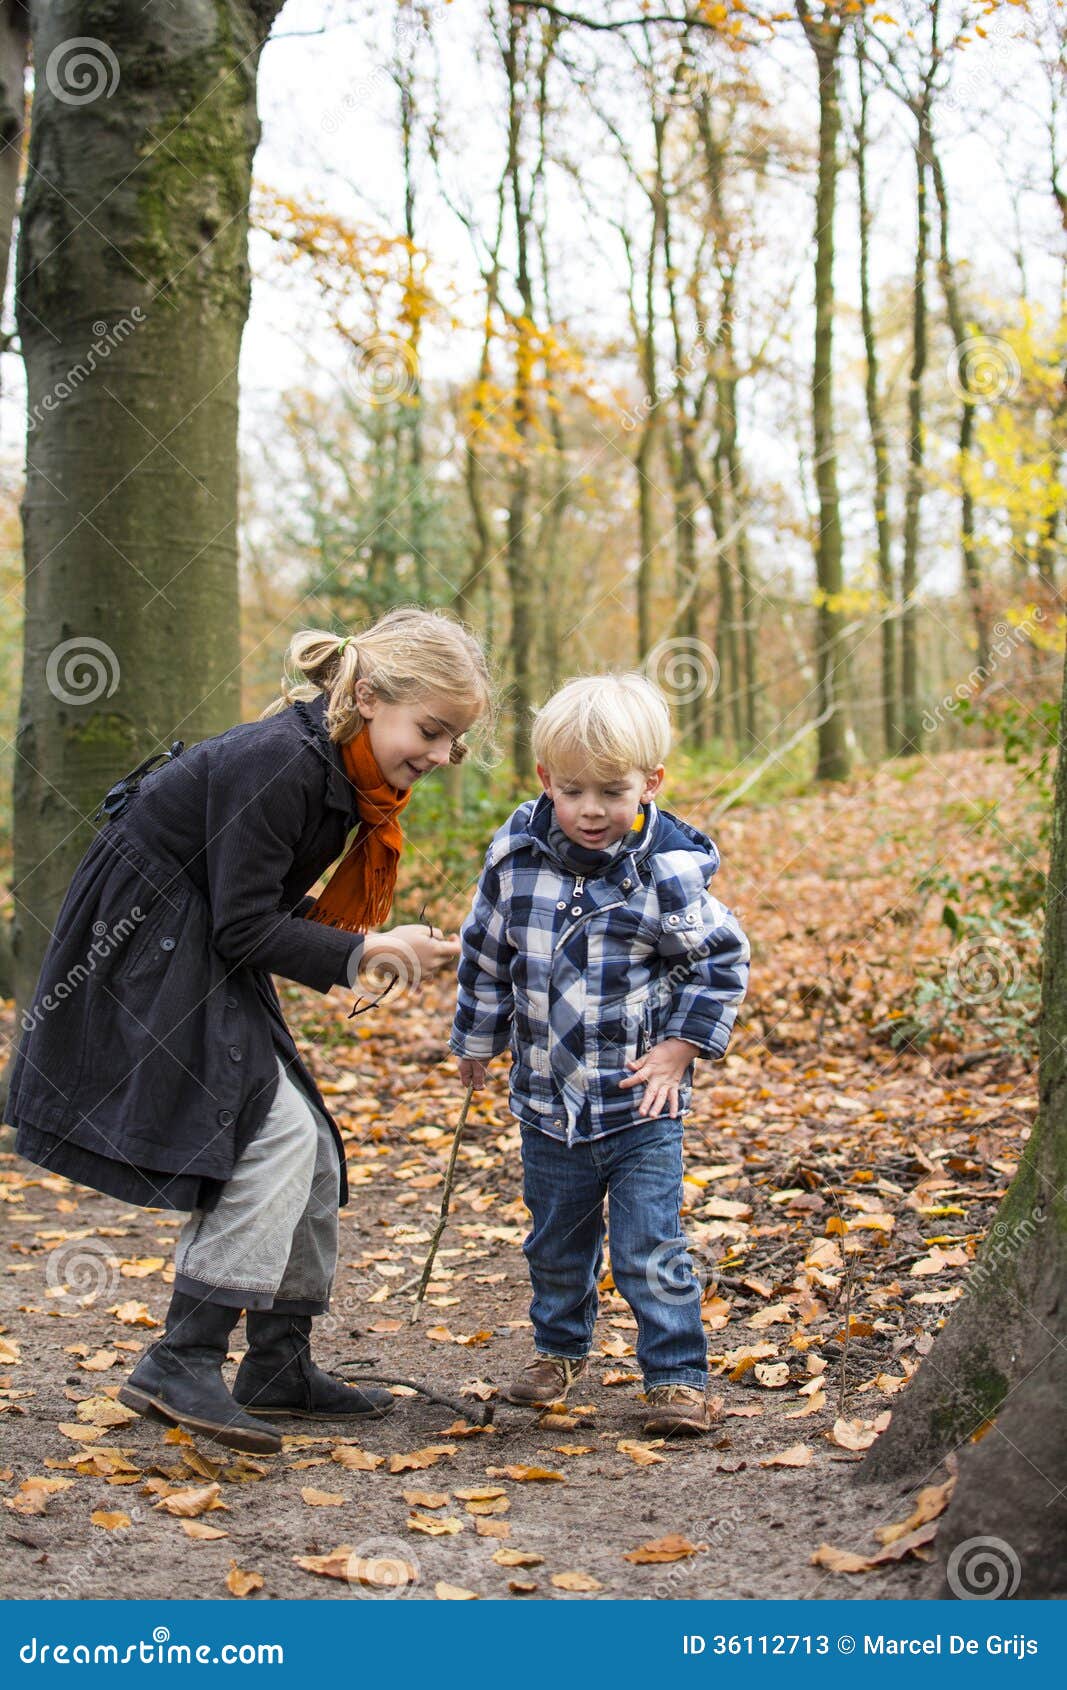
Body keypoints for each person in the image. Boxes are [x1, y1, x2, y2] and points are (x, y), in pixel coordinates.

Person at [6, 606, 491, 1455]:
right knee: (273, 1136)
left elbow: (253, 907)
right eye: (432, 730)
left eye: (455, 739)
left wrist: (369, 945)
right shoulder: (281, 766)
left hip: (191, 936)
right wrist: (365, 950)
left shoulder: (335, 772)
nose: (443, 754)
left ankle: (277, 1365)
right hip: (148, 948)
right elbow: (242, 927)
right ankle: (181, 1358)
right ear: (369, 697)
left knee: (313, 1146)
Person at [449, 673, 749, 1436]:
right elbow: (485, 952)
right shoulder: (514, 860)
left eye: (611, 792)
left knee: (650, 1245)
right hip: (546, 1098)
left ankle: (675, 1375)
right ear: (544, 779)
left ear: (650, 783)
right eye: (572, 790)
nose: (590, 810)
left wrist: (680, 1049)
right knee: (555, 1242)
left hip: (640, 1104)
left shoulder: (666, 874)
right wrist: (477, 1040)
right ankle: (557, 1350)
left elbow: (719, 961)